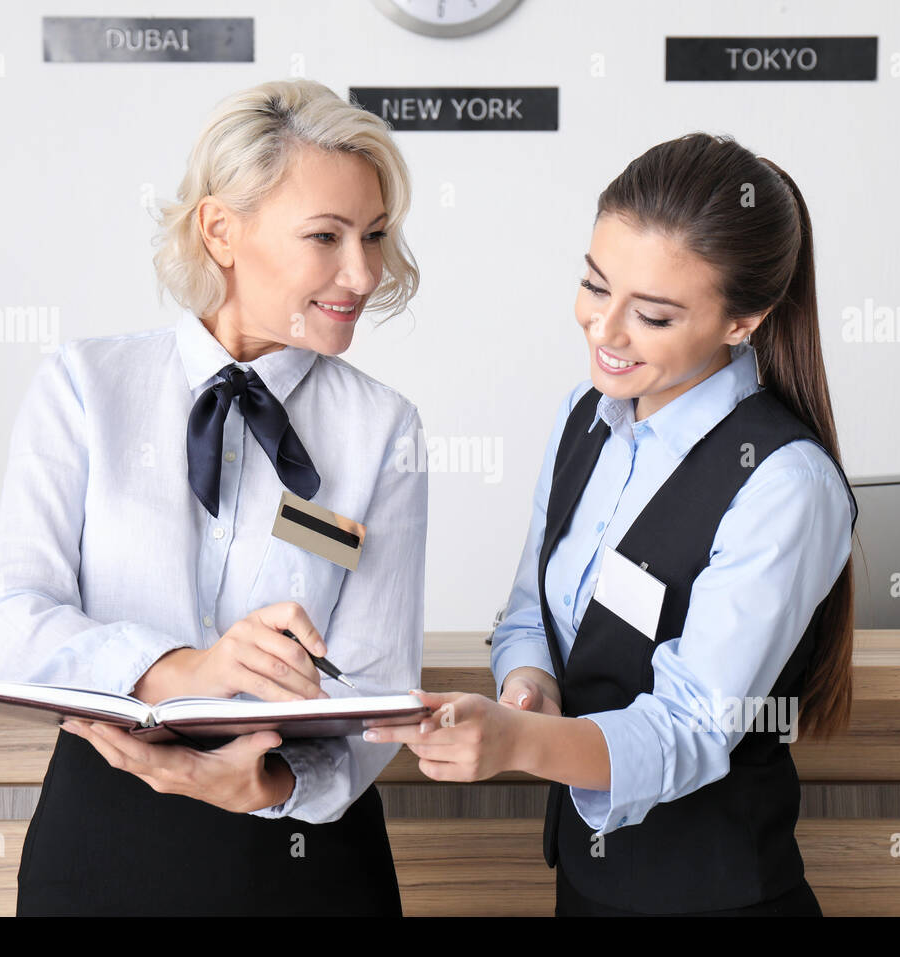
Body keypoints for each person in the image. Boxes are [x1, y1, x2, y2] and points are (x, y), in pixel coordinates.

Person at [365, 133, 859, 917]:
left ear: (745, 320)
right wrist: (529, 690)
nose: (606, 331)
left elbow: (694, 730)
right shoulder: (584, 419)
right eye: (596, 287)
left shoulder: (785, 484)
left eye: (654, 315)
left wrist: (517, 743)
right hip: (589, 884)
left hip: (714, 899)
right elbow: (529, 610)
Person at [0, 79, 428, 916]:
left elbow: (376, 685)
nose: (362, 273)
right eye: (325, 236)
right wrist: (186, 671)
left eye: (373, 236)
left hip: (301, 857)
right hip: (102, 840)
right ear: (221, 230)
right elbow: (10, 618)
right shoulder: (83, 387)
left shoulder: (384, 429)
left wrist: (268, 783)